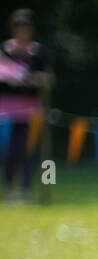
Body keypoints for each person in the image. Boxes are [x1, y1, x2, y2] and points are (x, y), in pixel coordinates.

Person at [1, 9, 49, 204]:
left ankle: (27, 191)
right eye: (18, 27)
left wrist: (33, 79)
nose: (22, 31)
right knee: (8, 152)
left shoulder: (39, 53)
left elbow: (48, 79)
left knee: (27, 151)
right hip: (4, 112)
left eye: (25, 27)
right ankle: (9, 190)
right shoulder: (3, 51)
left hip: (30, 111)